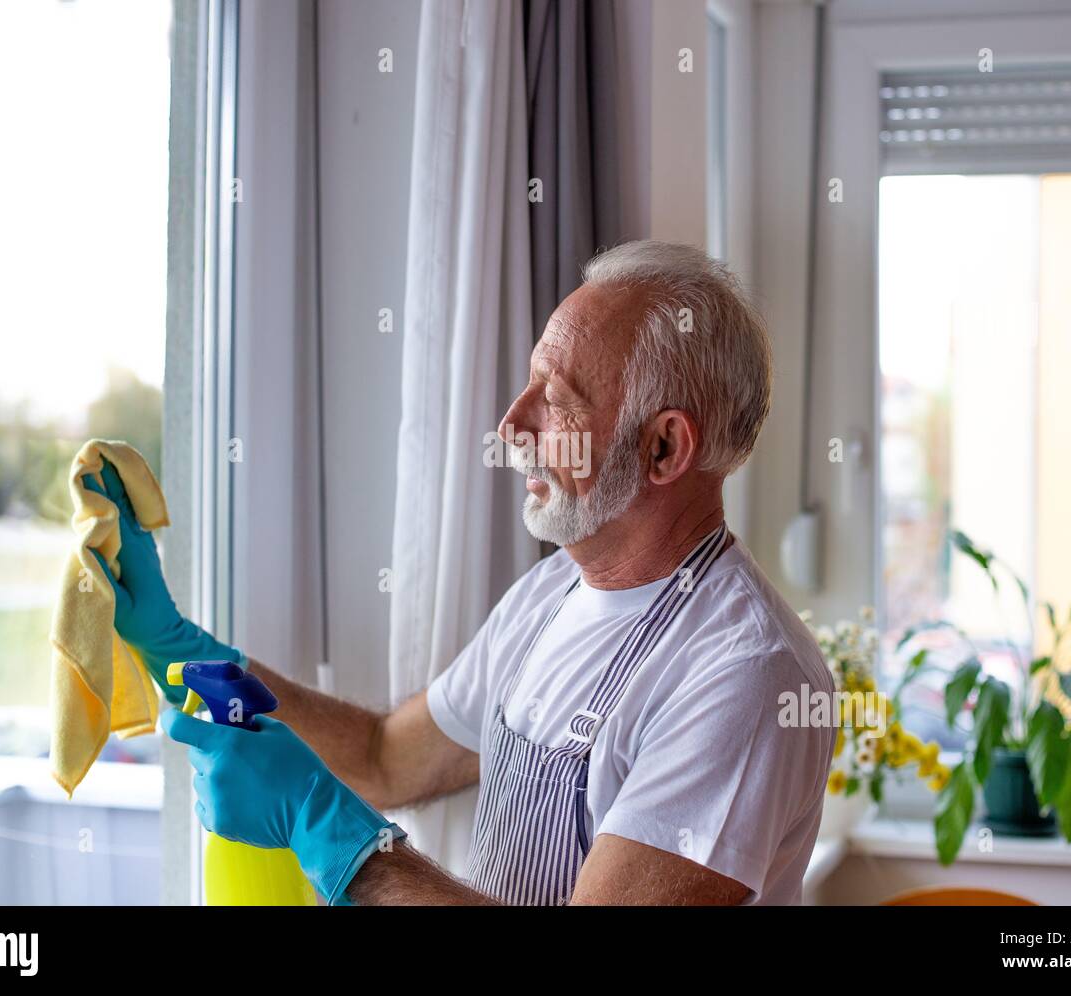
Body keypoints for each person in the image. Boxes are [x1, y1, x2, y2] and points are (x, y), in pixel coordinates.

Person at [94, 240, 835, 906]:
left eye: (556, 400)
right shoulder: (552, 596)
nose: (512, 426)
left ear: (665, 449)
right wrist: (175, 644)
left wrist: (327, 829)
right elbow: (386, 758)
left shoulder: (747, 677)